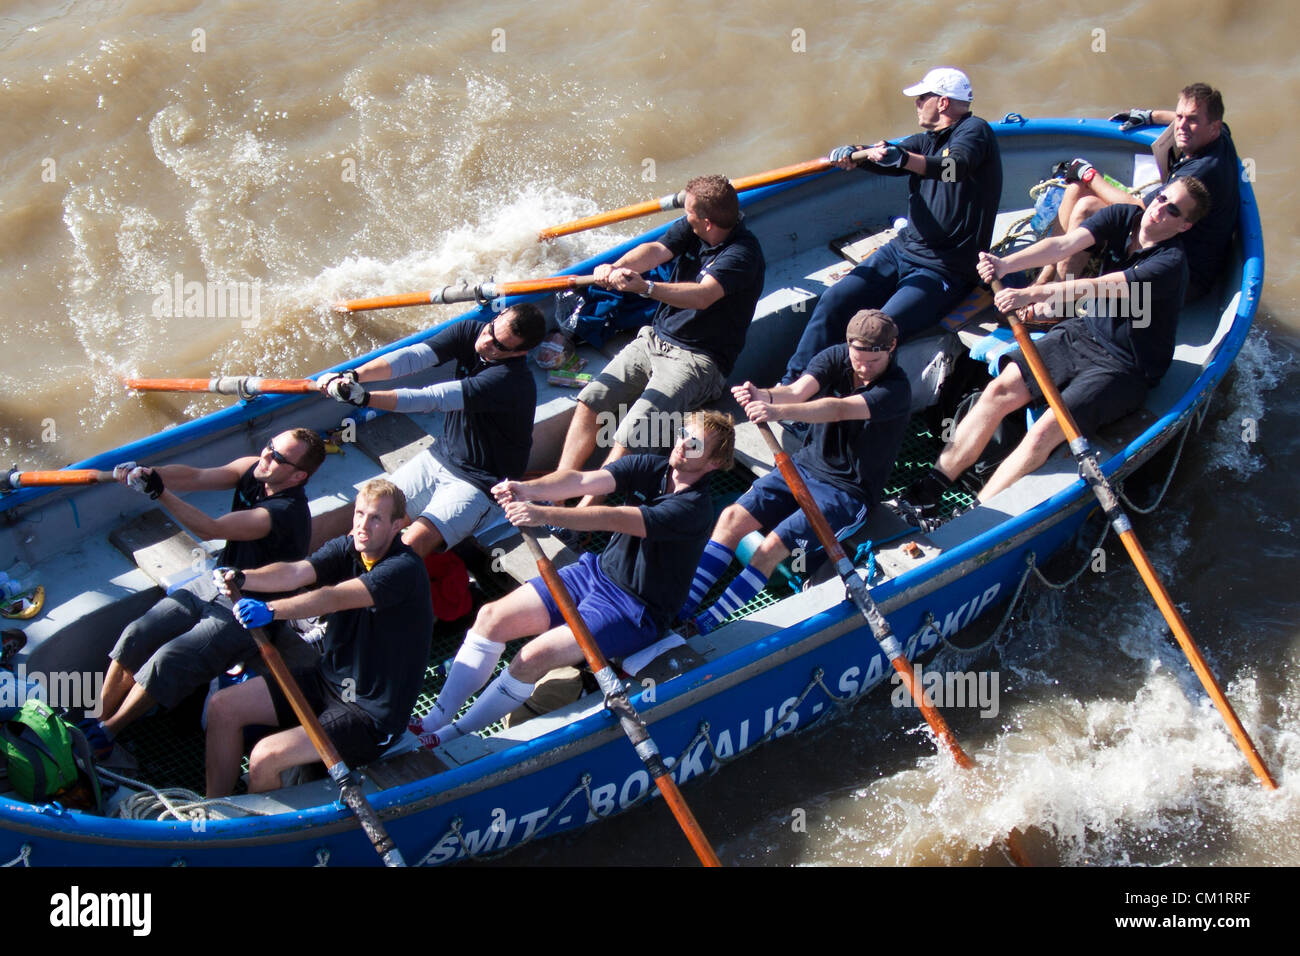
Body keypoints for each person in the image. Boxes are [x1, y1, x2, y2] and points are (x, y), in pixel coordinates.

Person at [409, 410, 735, 748]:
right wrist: (524, 488)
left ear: (713, 464)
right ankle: (433, 721)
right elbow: (581, 482)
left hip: (635, 609)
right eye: (683, 433)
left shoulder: (693, 509)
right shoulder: (652, 467)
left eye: (696, 445)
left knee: (532, 656)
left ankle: (450, 737)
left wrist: (542, 513)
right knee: (491, 617)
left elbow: (616, 519)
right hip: (593, 573)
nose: (683, 445)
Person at [894, 176, 1210, 523]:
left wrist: (1031, 295)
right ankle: (931, 487)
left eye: (1172, 209)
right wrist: (1004, 265)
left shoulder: (1169, 264)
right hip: (1083, 332)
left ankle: (969, 518)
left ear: (1184, 225)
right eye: (1161, 197)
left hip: (1126, 365)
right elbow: (1065, 245)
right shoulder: (1125, 218)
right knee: (999, 390)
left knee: (1045, 430)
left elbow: (1101, 286)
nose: (1159, 208)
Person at [84, 429, 325, 757]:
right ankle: (96, 719)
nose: (266, 456)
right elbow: (198, 476)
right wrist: (151, 474)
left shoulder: (283, 512)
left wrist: (159, 493)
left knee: (168, 659)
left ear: (298, 475)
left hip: (250, 606)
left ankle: (107, 734)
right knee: (137, 633)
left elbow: (210, 529)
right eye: (269, 446)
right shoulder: (255, 468)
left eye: (278, 458)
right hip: (214, 581)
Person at [683, 311, 912, 633]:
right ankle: (682, 606)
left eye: (871, 363)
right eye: (856, 359)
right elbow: (797, 391)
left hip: (847, 491)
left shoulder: (896, 389)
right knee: (730, 519)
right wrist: (765, 395)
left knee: (770, 547)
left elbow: (838, 409)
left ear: (891, 348)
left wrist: (775, 411)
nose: (862, 368)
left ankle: (705, 623)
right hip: (804, 465)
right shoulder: (836, 356)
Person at [205, 478, 433, 796]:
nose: (363, 525)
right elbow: (297, 572)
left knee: (264, 757)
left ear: (397, 526)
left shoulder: (403, 569)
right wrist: (243, 576)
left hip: (370, 713)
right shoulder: (349, 548)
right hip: (327, 679)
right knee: (222, 706)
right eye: (359, 514)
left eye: (376, 518)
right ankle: (213, 814)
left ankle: (256, 838)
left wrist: (269, 610)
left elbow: (333, 598)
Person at [782, 67, 1002, 383]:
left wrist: (903, 159)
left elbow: (953, 169)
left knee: (876, 331)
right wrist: (855, 154)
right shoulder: (926, 141)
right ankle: (793, 380)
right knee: (834, 301)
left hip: (945, 269)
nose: (916, 105)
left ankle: (818, 392)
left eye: (921, 98)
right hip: (900, 251)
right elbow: (886, 156)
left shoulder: (975, 132)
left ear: (941, 103)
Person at [556, 175, 763, 479]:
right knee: (593, 398)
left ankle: (588, 506)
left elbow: (703, 296)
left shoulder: (742, 254)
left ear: (707, 221)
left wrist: (646, 288)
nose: (684, 214)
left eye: (689, 211)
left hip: (699, 360)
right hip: (654, 339)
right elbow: (656, 250)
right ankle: (561, 485)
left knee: (635, 428)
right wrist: (618, 269)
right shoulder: (693, 228)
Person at [314, 303, 546, 557]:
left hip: (481, 484)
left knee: (410, 546)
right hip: (440, 454)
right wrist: (352, 376)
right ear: (498, 316)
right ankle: (333, 575)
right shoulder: (470, 331)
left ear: (520, 352)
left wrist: (364, 399)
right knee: (366, 526)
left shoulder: (510, 380)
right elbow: (413, 357)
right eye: (491, 330)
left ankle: (365, 589)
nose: (486, 342)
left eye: (499, 345)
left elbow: (431, 399)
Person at [1044, 83, 1238, 302]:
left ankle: (1056, 302)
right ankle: (1046, 277)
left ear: (1213, 127)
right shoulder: (1221, 134)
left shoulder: (1198, 173)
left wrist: (1087, 173)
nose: (1181, 125)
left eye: (1192, 120)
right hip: (1169, 234)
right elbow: (1188, 118)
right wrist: (1149, 116)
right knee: (1075, 188)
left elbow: (1141, 209)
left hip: (1181, 275)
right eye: (1180, 117)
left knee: (1087, 208)